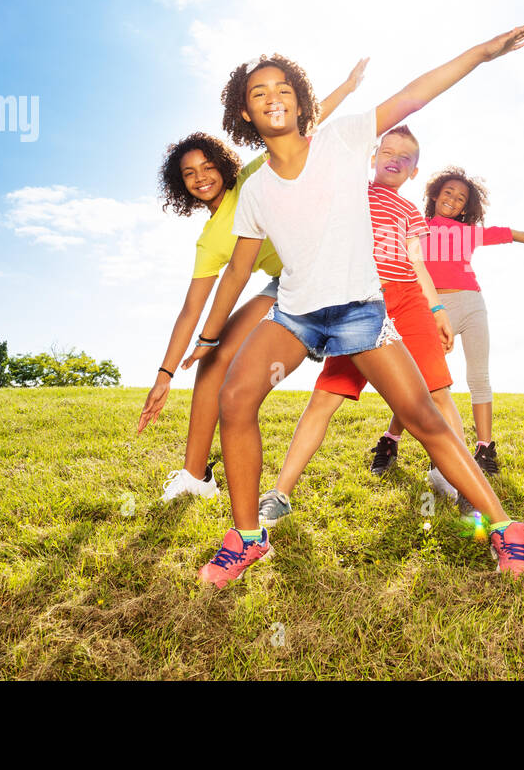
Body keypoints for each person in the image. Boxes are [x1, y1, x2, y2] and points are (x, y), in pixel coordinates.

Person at [184, 24, 524, 586]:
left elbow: (415, 92)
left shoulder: (343, 139)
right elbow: (239, 267)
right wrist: (208, 337)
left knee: (424, 418)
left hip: (357, 311)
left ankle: (503, 528)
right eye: (258, 93)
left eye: (283, 87)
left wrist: (481, 53)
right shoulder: (253, 191)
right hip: (296, 314)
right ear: (245, 114)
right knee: (235, 395)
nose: (272, 96)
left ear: (302, 101)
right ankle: (248, 538)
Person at [136, 60, 368, 501]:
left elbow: (306, 121)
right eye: (189, 174)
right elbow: (192, 308)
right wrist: (165, 374)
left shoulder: (250, 180)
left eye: (207, 166)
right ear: (180, 185)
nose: (201, 177)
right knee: (212, 359)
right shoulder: (209, 242)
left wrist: (348, 87)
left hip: (332, 274)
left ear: (224, 165)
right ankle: (195, 477)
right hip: (284, 285)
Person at [256, 124, 466, 529]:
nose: (394, 160)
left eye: (405, 158)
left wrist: (437, 309)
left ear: (414, 172)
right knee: (323, 400)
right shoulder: (349, 194)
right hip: (358, 306)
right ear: (372, 157)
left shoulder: (408, 212)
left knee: (437, 393)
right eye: (387, 151)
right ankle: (280, 494)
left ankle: (456, 484)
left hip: (407, 301)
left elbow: (417, 262)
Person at [379, 167, 524, 491]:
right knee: (423, 381)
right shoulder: (416, 227)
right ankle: (391, 440)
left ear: (464, 207)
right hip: (431, 308)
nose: (454, 200)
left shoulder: (470, 233)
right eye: (449, 193)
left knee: (479, 376)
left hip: (471, 303)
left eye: (460, 199)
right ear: (434, 195)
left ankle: (484, 449)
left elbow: (512, 234)